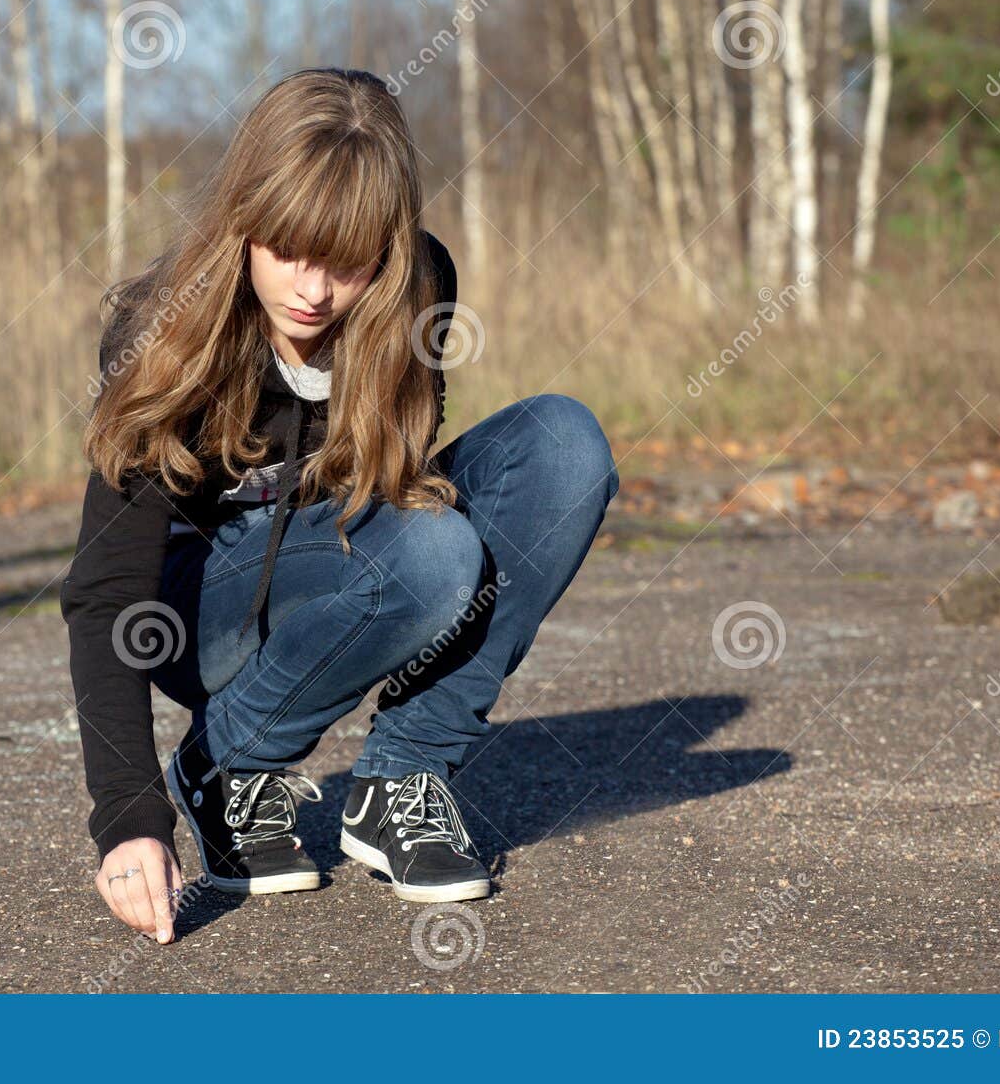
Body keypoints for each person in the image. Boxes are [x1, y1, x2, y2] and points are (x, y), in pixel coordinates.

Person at [60, 67, 619, 946]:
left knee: (565, 448)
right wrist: (129, 816)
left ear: (388, 251)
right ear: (245, 216)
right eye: (289, 250)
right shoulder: (161, 329)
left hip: (343, 546)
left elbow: (392, 478)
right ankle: (223, 767)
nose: (314, 292)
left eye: (348, 263)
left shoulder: (419, 284)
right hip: (199, 610)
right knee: (433, 552)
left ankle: (402, 780)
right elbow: (105, 593)